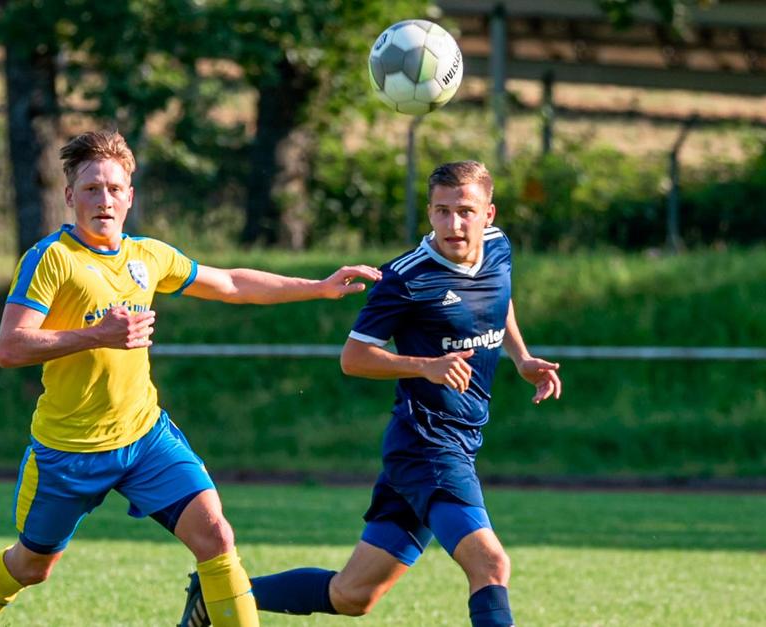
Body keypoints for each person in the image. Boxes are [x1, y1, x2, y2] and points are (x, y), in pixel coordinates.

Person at [0, 129, 381, 627]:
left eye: (114, 188)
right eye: (90, 188)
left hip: (144, 437)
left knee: (216, 535)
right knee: (31, 566)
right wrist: (96, 335)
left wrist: (317, 287)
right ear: (69, 196)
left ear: (130, 196)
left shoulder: (148, 256)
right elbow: (10, 348)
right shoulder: (52, 259)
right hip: (68, 451)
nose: (103, 199)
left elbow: (231, 283)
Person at [179, 160, 561, 627]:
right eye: (441, 211)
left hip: (456, 442)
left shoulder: (498, 248)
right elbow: (354, 357)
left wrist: (521, 358)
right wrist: (427, 367)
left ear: (489, 214)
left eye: (465, 211)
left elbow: (498, 301)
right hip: (427, 446)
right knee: (491, 564)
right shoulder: (405, 278)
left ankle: (218, 594)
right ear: (429, 212)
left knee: (352, 595)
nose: (453, 224)